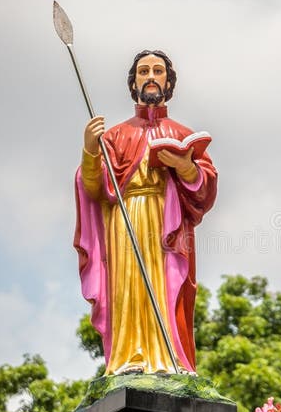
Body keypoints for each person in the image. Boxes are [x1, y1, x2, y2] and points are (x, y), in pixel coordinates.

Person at [74, 50, 217, 376]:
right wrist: (90, 148)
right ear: (133, 82)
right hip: (124, 220)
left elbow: (206, 190)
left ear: (168, 81)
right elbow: (93, 187)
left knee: (168, 288)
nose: (150, 76)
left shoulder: (181, 133)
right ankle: (128, 358)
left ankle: (169, 360)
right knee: (128, 288)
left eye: (157, 70)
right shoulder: (115, 136)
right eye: (143, 71)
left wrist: (185, 167)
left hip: (168, 224)